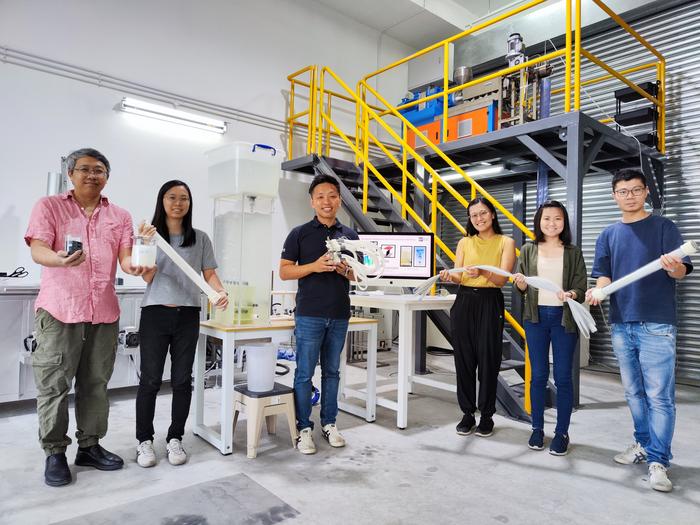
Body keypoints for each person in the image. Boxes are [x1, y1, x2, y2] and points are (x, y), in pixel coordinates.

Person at [25, 148, 150, 486]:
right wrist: (58, 259)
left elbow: (125, 259)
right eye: (84, 169)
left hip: (103, 312)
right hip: (59, 309)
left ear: (107, 176)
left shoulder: (119, 216)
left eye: (99, 170)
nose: (92, 175)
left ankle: (90, 446)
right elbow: (37, 248)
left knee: (95, 383)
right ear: (71, 173)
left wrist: (137, 265)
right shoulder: (49, 206)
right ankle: (54, 452)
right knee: (53, 384)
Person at [586, 168, 692, 493]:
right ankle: (642, 444)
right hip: (621, 322)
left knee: (659, 396)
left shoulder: (664, 227)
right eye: (623, 190)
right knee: (633, 393)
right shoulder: (608, 234)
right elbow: (604, 274)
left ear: (646, 192)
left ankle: (659, 461)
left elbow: (682, 271)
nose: (629, 195)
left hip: (657, 323)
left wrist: (674, 267)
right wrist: (598, 291)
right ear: (614, 195)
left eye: (635, 190)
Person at [135, 180, 228, 468]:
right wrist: (145, 245)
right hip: (155, 312)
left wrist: (220, 291)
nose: (178, 203)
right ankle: (144, 441)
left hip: (188, 314)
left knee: (181, 380)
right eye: (172, 197)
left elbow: (209, 274)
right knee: (150, 379)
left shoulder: (200, 238)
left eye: (184, 198)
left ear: (190, 203)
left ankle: (175, 438)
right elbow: (147, 277)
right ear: (161, 201)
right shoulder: (149, 236)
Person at [279, 174, 358, 454]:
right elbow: (285, 270)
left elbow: (359, 275)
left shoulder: (349, 235)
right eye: (321, 196)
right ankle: (303, 429)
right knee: (303, 374)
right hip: (309, 314)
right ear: (312, 201)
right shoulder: (299, 233)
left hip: (339, 314)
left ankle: (329, 423)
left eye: (333, 196)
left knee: (333, 373)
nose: (327, 201)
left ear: (339, 200)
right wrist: (313, 266)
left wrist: (345, 271)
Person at [511, 201, 587, 456]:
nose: (552, 223)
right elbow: (519, 287)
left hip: (564, 318)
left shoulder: (573, 252)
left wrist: (573, 293)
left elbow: (581, 286)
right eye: (546, 218)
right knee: (539, 375)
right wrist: (520, 283)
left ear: (564, 222)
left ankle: (562, 432)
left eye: (557, 218)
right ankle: (536, 428)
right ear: (539, 221)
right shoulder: (528, 249)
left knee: (564, 377)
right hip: (536, 319)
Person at [439, 197, 516, 437]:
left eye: (483, 213)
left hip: (489, 301)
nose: (479, 218)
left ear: (492, 214)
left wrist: (482, 271)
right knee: (463, 361)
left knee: (488, 361)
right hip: (464, 301)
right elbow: (460, 276)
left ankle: (487, 416)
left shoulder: (506, 242)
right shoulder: (464, 242)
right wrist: (448, 276)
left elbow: (502, 279)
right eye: (474, 215)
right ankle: (467, 413)